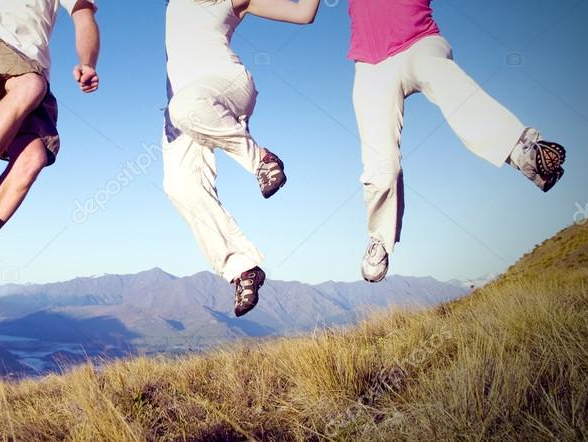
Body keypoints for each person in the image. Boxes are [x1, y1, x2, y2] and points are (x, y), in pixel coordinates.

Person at [349, 0, 567, 283]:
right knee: (382, 170)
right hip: (371, 66)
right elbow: (303, 11)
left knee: (443, 78)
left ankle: (520, 149)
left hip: (420, 42)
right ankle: (380, 238)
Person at [0, 0, 101, 309]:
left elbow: (83, 17)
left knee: (32, 159)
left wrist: (88, 62)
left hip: (28, 68)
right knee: (28, 85)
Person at [163, 0, 319, 317]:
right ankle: (242, 268)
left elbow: (304, 14)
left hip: (227, 84)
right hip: (180, 110)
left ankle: (261, 159)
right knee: (180, 187)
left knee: (187, 107)